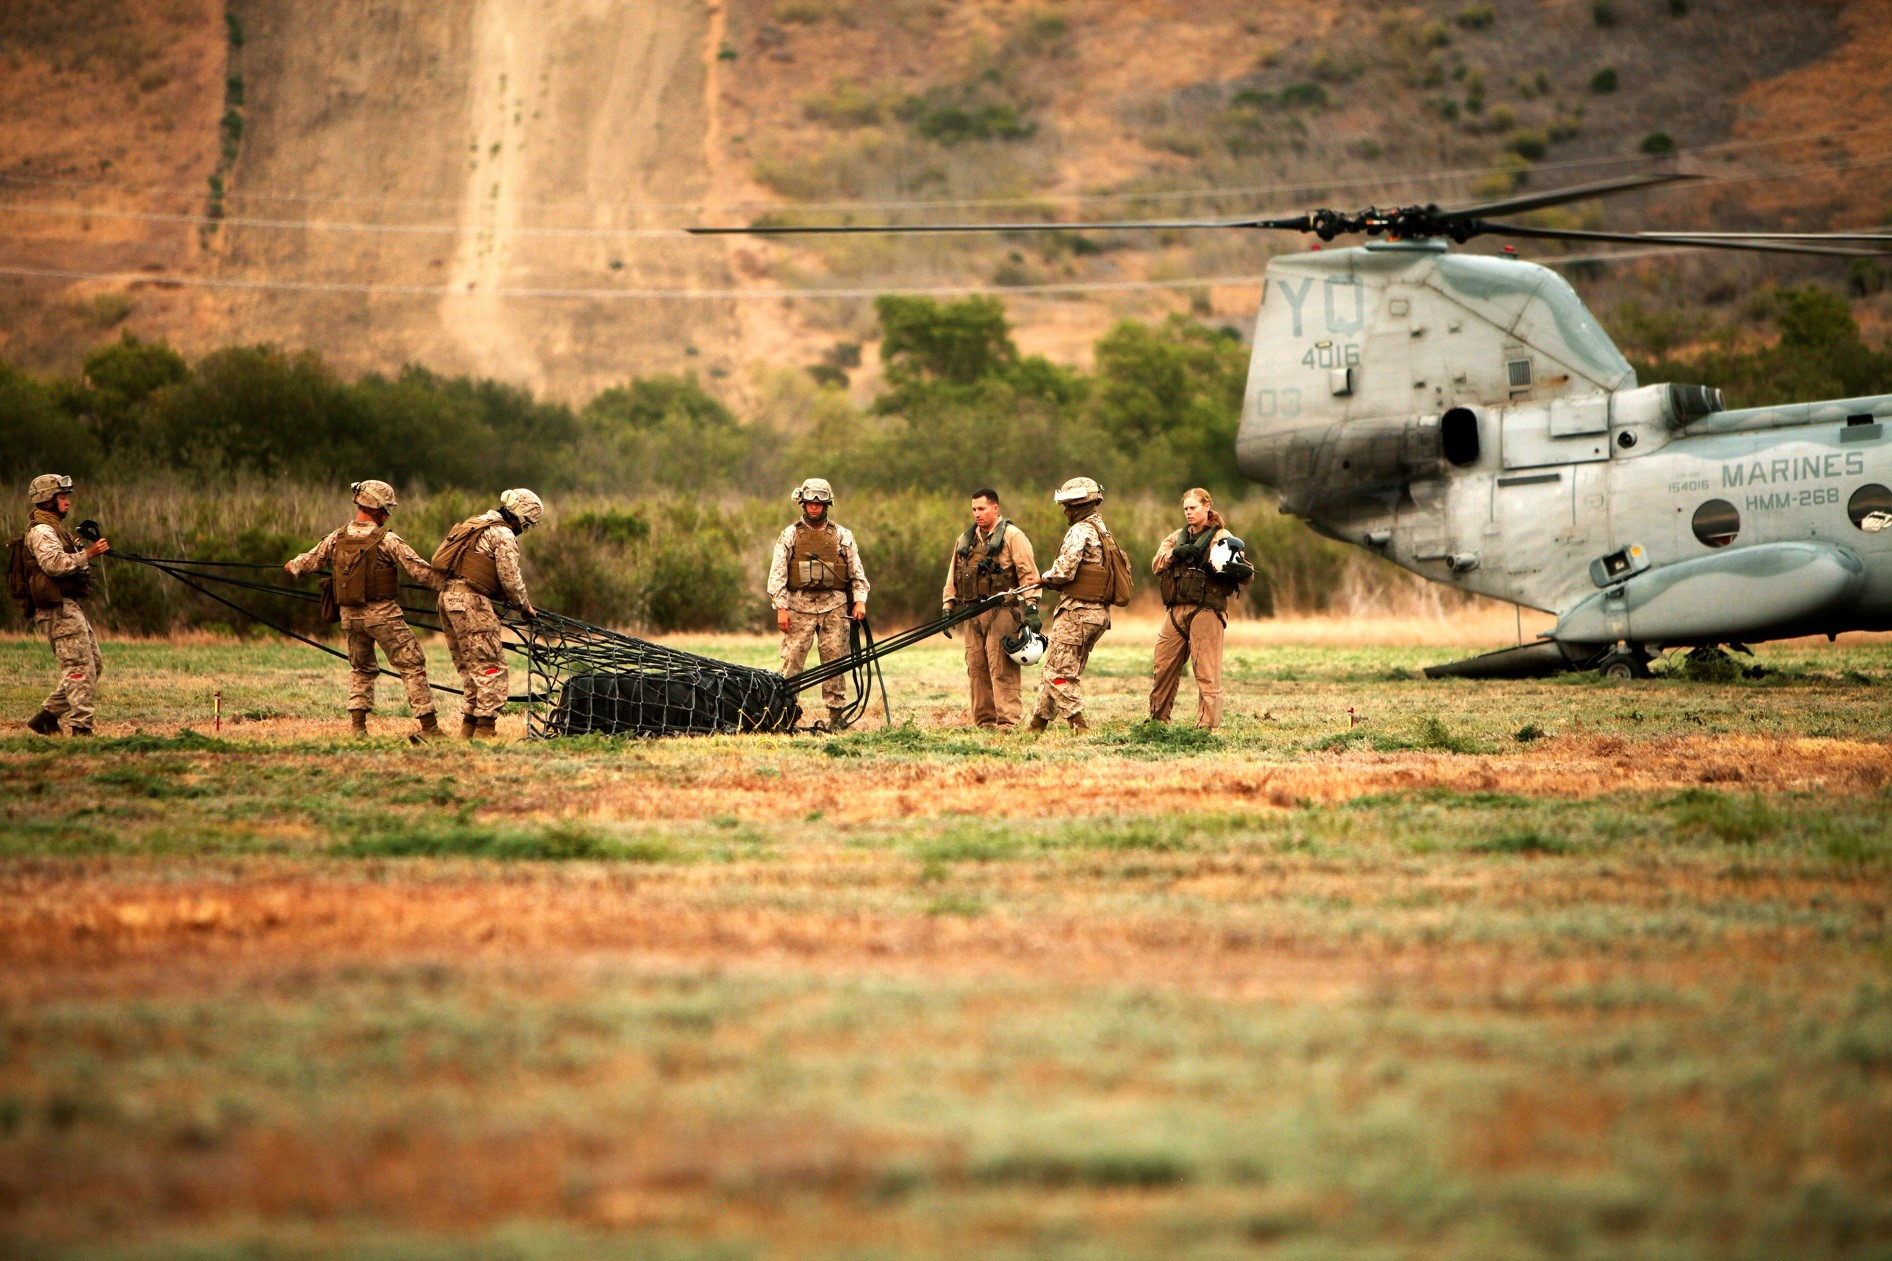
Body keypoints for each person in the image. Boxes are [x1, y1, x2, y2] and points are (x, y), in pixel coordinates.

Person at [284, 480, 446, 740]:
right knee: (413, 664)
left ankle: (358, 728)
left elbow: (309, 561)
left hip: (350, 617)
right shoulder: (387, 540)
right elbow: (420, 572)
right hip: (383, 616)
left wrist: (292, 565)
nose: (387, 515)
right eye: (386, 510)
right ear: (376, 507)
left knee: (361, 669)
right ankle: (430, 729)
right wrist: (451, 584)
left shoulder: (336, 537)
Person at [431, 488, 541, 739]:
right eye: (528, 524)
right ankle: (485, 731)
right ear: (522, 517)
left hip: (447, 598)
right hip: (471, 603)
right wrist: (524, 606)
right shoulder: (502, 534)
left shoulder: (477, 523)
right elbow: (510, 578)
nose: (525, 530)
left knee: (471, 669)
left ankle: (467, 733)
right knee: (492, 668)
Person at [768, 478, 870, 730]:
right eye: (810, 504)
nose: (814, 508)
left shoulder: (843, 536)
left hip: (834, 606)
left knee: (835, 661)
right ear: (803, 504)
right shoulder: (790, 535)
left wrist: (859, 602)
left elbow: (857, 573)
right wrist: (781, 607)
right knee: (792, 662)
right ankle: (785, 714)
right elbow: (777, 575)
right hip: (798, 606)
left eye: (819, 504)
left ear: (827, 505)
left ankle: (836, 716)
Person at [1149, 487, 1251, 731]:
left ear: (1207, 506)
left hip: (1206, 609)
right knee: (1163, 667)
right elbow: (1156, 564)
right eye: (1185, 508)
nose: (1188, 513)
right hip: (1175, 611)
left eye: (1193, 508)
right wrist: (1175, 553)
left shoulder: (1222, 537)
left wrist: (1229, 565)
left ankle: (1207, 729)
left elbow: (1243, 570)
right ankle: (1157, 723)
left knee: (1206, 672)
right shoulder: (1176, 536)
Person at [17, 474, 109, 736]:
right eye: (62, 497)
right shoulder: (42, 531)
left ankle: (46, 717)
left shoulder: (54, 528)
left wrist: (83, 549)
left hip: (67, 606)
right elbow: (54, 565)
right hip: (57, 609)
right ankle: (81, 728)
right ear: (47, 500)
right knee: (79, 668)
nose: (67, 502)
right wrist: (87, 555)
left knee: (94, 664)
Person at [941, 488, 1040, 730]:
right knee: (976, 667)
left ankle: (1007, 722)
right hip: (972, 614)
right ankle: (985, 721)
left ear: (995, 508)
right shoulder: (965, 540)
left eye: (982, 509)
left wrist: (1032, 606)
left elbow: (1029, 575)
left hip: (1002, 612)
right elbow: (952, 575)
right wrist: (948, 605)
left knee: (1001, 667)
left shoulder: (1013, 536)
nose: (977, 514)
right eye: (974, 509)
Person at [1028, 476, 1120, 735]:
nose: (1066, 512)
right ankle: (1037, 725)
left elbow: (1064, 571)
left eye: (1068, 506)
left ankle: (1078, 723)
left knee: (1058, 673)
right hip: (1098, 614)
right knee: (1057, 668)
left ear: (1079, 506)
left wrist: (1043, 578)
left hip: (1077, 613)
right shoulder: (1103, 531)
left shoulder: (1080, 530)